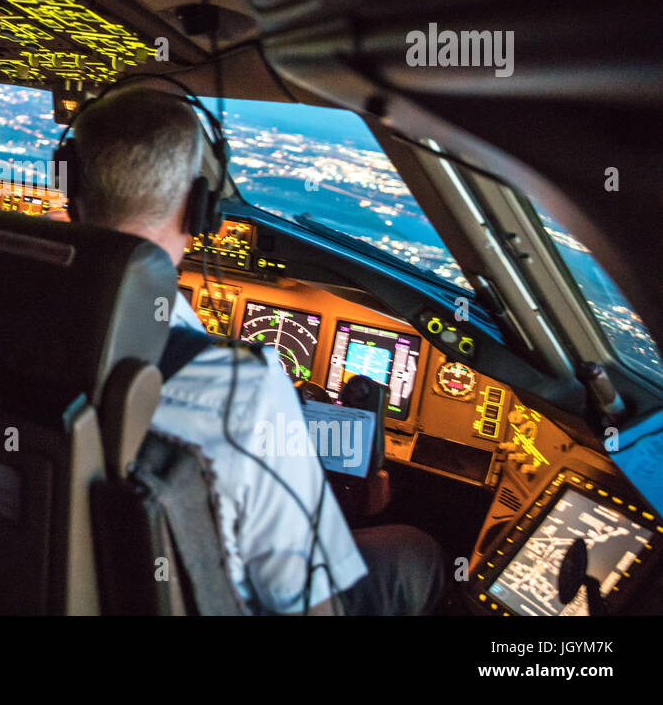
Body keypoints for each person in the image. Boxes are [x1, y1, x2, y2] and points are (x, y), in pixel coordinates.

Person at [68, 86, 444, 615]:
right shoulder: (238, 384)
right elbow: (308, 602)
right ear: (199, 206)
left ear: (71, 188)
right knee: (415, 552)